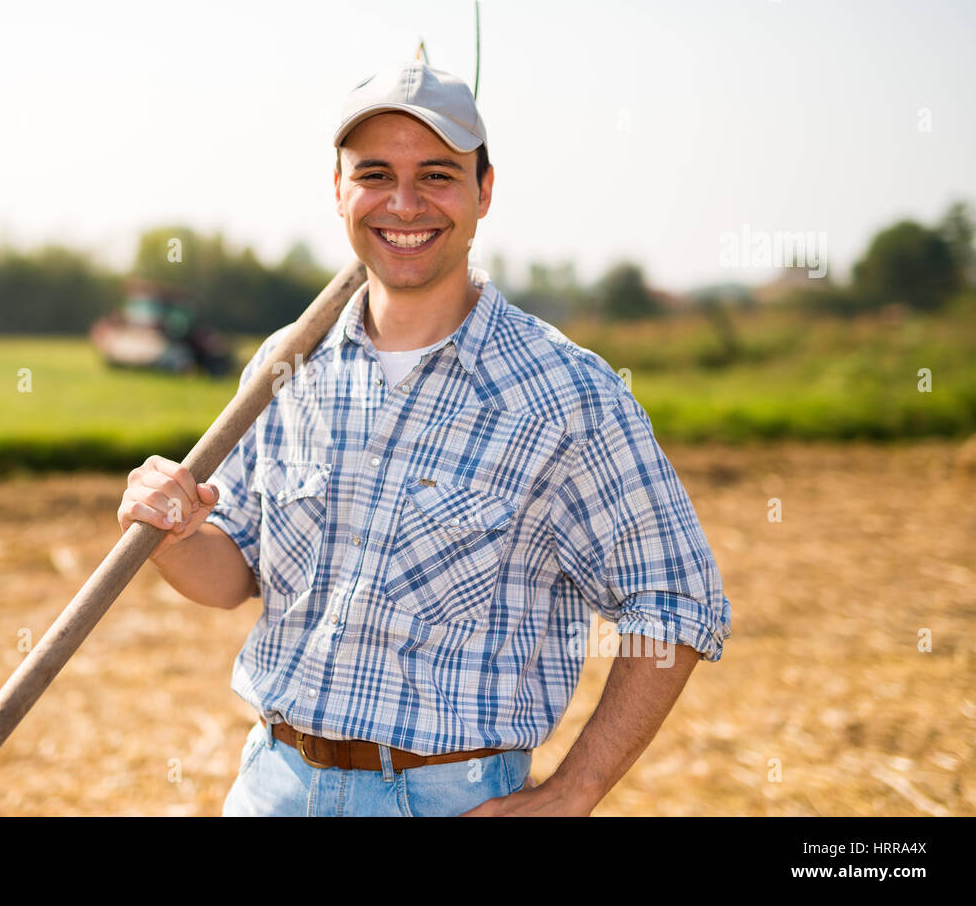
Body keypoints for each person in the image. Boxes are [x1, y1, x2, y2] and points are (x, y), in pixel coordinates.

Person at [116, 60, 732, 816]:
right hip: (273, 784)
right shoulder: (286, 368)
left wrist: (575, 790)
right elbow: (233, 576)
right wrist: (175, 535)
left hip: (445, 798)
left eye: (436, 175)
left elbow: (675, 600)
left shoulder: (566, 393)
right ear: (339, 190)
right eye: (374, 173)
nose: (404, 203)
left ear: (485, 192)